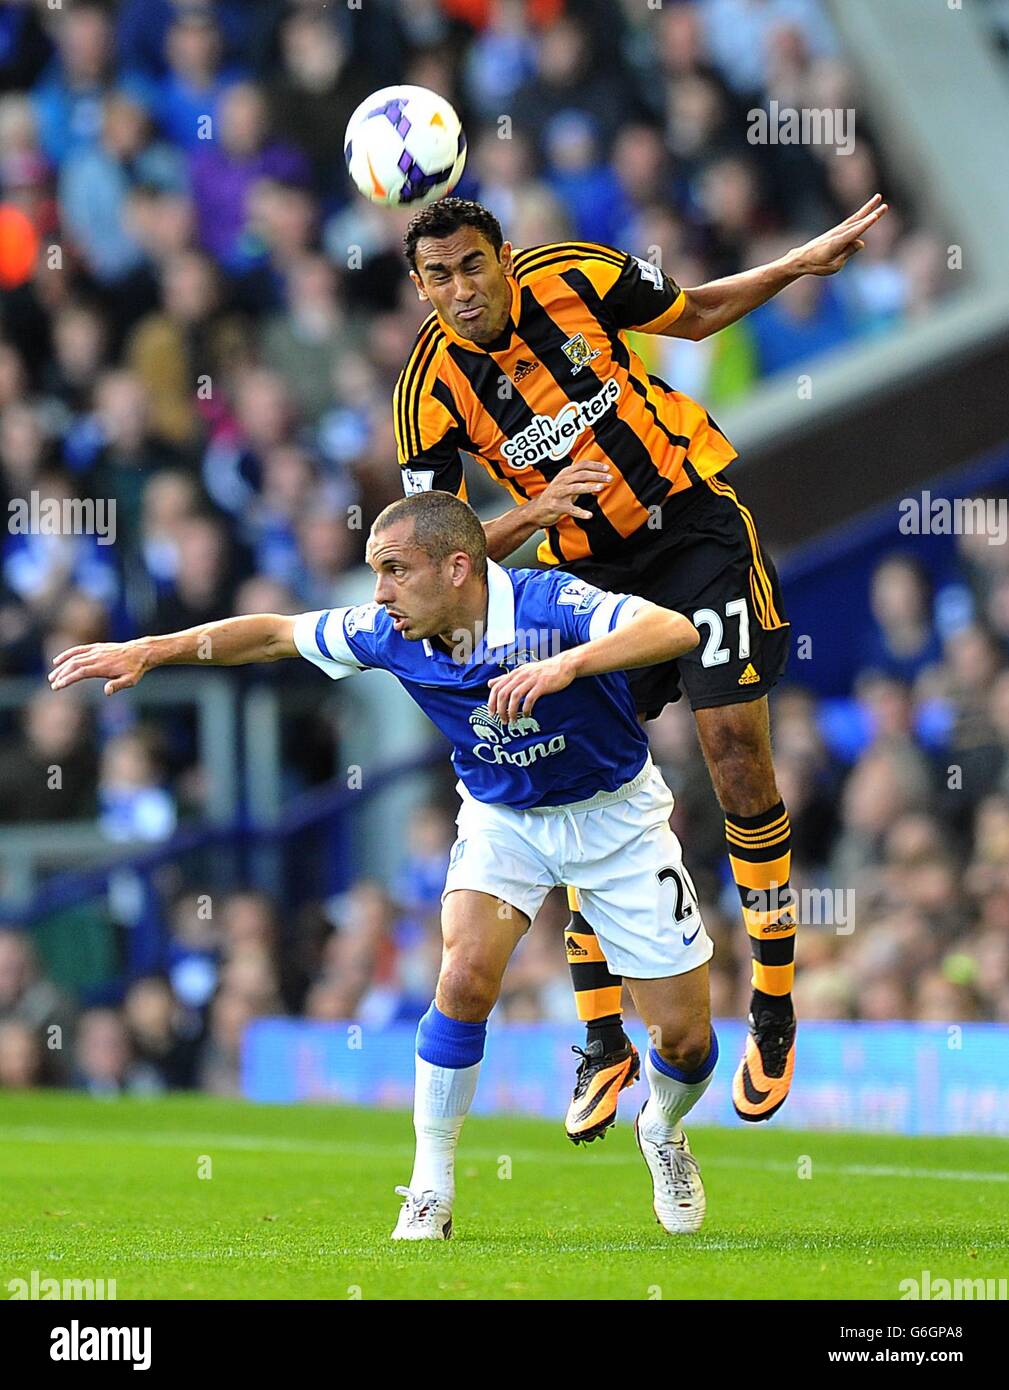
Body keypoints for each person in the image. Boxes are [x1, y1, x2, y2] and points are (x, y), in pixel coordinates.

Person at [49, 490, 717, 1240]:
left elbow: (672, 628)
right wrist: (152, 649)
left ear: (457, 567)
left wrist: (567, 667)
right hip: (506, 821)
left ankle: (660, 1127)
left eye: (395, 571)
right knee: (463, 976)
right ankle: (430, 1185)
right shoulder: (386, 632)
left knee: (685, 1042)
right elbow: (274, 633)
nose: (379, 594)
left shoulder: (548, 601)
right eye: (375, 572)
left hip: (616, 820)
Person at [393, 193, 889, 1131]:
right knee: (583, 778)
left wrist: (792, 264)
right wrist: (531, 518)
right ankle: (601, 1038)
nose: (459, 290)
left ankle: (775, 1007)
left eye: (471, 265)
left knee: (735, 751)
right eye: (437, 277)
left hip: (694, 531)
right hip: (586, 574)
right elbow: (442, 554)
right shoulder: (427, 393)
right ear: (420, 289)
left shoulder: (576, 273)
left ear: (505, 256)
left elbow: (694, 313)